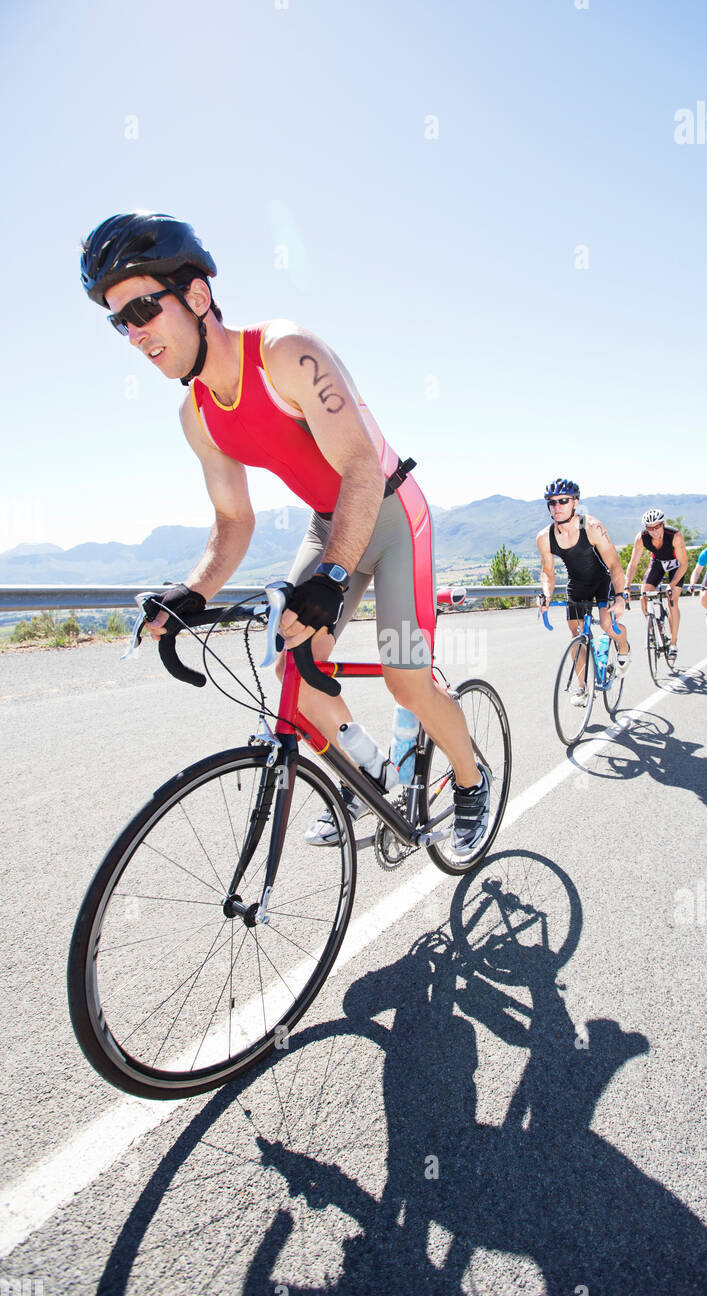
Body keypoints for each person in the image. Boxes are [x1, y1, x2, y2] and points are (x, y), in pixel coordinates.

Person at [80, 211, 489, 859]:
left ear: (197, 295)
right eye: (117, 322)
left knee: (406, 679)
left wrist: (329, 579)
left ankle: (470, 781)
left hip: (390, 512)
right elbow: (234, 523)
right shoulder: (198, 418)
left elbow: (358, 467)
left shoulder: (285, 352)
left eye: (142, 312)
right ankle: (372, 778)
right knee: (291, 671)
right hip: (332, 525)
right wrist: (191, 592)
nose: (133, 335)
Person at [536, 479, 629, 704]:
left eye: (563, 501)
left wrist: (620, 597)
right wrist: (546, 595)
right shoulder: (545, 537)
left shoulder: (592, 527)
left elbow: (615, 566)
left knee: (608, 624)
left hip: (602, 581)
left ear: (575, 502)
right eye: (552, 503)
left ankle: (624, 649)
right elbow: (548, 572)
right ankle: (582, 687)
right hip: (577, 584)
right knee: (577, 636)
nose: (557, 507)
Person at [623, 508, 690, 660]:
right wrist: (626, 586)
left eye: (657, 526)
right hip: (658, 563)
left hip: (676, 565)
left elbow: (684, 563)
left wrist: (672, 584)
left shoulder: (675, 536)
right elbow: (633, 564)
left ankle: (673, 643)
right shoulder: (641, 538)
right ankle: (654, 627)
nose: (654, 531)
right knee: (644, 595)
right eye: (650, 528)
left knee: (672, 600)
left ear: (663, 524)